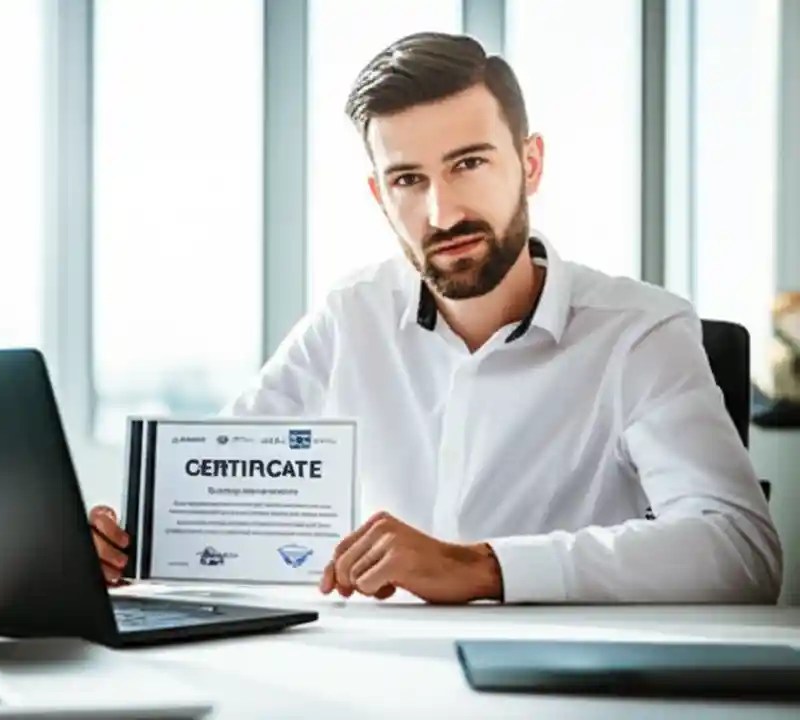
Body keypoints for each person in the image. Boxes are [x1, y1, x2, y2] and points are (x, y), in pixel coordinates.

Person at [89, 32, 781, 604]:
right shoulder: (348, 318)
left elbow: (740, 552)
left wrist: (480, 566)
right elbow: (206, 490)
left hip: (563, 697)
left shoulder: (641, 331)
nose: (441, 213)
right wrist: (121, 544)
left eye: (469, 164)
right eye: (408, 179)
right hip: (371, 686)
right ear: (378, 194)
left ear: (530, 163)